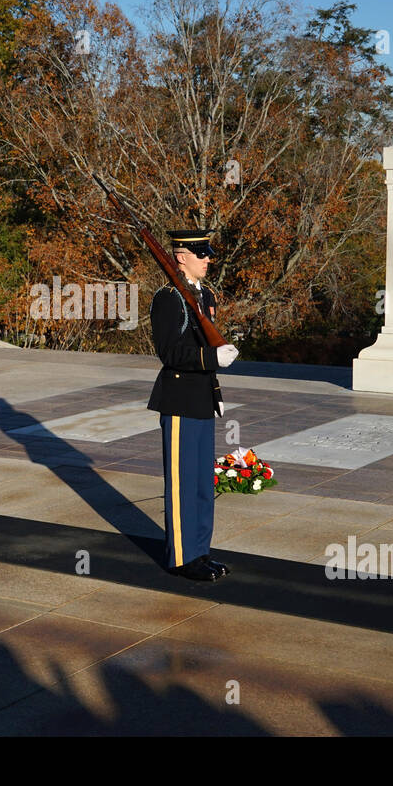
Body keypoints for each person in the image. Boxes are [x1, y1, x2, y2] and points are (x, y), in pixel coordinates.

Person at [147, 229, 239, 582]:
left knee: (202, 483)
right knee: (182, 483)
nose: (208, 259)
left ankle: (201, 551)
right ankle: (183, 557)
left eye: (208, 253)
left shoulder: (206, 294)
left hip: (202, 398)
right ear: (180, 256)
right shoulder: (169, 298)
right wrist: (210, 357)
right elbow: (169, 353)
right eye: (201, 253)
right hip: (180, 399)